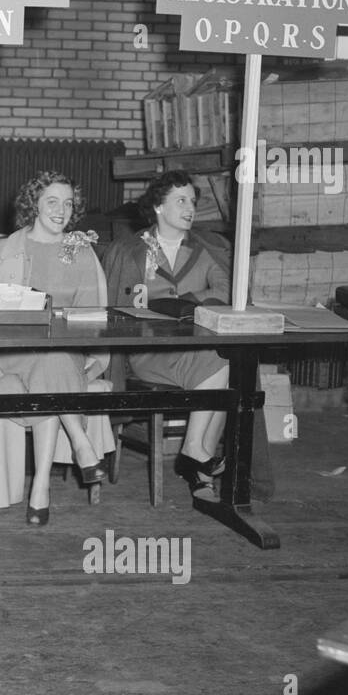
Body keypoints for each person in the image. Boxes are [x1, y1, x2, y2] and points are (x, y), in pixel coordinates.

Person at [0, 172, 112, 524]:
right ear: (34, 205)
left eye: (68, 203)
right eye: (52, 201)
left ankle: (41, 485)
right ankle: (79, 443)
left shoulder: (82, 252)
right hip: (12, 351)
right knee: (52, 361)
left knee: (54, 359)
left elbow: (93, 317)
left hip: (64, 353)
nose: (62, 210)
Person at [102, 169, 231, 498]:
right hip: (148, 351)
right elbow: (115, 305)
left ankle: (196, 455)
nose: (190, 208)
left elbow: (225, 289)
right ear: (159, 207)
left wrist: (184, 303)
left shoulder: (207, 248)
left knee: (227, 362)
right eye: (181, 200)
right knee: (219, 366)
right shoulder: (131, 250)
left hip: (197, 347)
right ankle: (198, 463)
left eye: (192, 200)